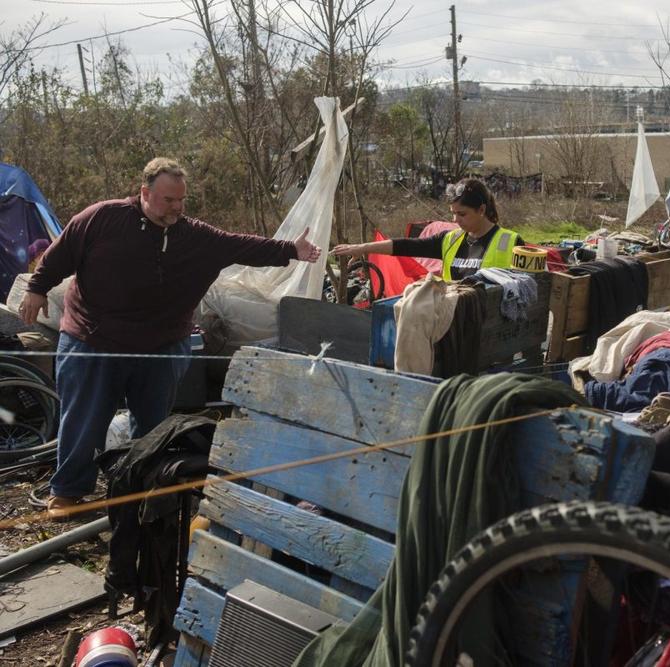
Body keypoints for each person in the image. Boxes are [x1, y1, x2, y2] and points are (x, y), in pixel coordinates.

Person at [19, 157, 321, 518]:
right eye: (168, 200)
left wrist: (291, 250)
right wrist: (37, 289)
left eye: (181, 201)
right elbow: (59, 254)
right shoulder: (102, 218)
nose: (177, 208)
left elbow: (242, 246)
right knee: (84, 419)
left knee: (153, 426)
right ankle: (67, 492)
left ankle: (143, 486)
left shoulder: (195, 237)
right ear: (145, 192)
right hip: (93, 339)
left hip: (160, 345)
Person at [332, 177, 522, 281]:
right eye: (453, 213)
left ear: (481, 210)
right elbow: (405, 246)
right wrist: (363, 248)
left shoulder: (511, 242)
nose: (455, 220)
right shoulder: (450, 239)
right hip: (451, 322)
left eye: (462, 214)